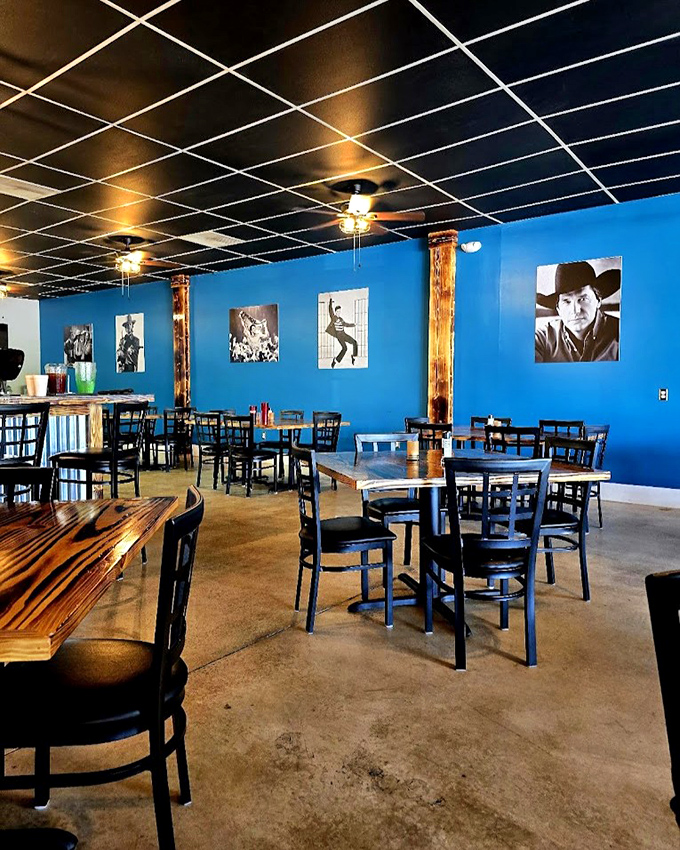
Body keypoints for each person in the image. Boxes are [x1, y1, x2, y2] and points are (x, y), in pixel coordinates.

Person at [535, 261, 621, 363]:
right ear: (558, 309)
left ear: (598, 301)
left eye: (583, 299)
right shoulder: (543, 338)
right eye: (566, 301)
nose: (575, 310)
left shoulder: (620, 334)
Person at [325, 297, 358, 368]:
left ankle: (354, 357)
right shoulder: (333, 318)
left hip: (344, 334)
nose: (339, 313)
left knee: (354, 342)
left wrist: (354, 324)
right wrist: (330, 301)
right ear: (335, 312)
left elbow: (346, 324)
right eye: (338, 311)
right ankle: (335, 360)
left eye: (340, 311)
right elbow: (330, 310)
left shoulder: (341, 319)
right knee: (345, 348)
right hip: (339, 335)